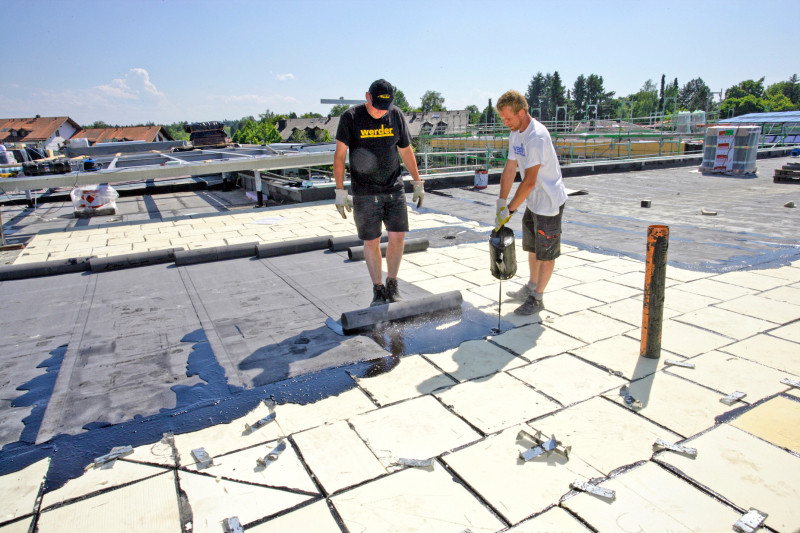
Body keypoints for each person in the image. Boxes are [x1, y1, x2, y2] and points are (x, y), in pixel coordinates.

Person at [334, 79, 424, 307]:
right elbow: (340, 156)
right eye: (376, 106)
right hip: (365, 192)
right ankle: (378, 290)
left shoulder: (395, 115)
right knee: (372, 241)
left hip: (393, 187)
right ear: (367, 97)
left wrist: (417, 182)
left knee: (397, 236)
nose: (380, 111)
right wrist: (339, 190)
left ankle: (392, 284)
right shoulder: (350, 117)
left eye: (385, 107)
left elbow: (405, 150)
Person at [494, 90, 567, 315]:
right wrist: (501, 201)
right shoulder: (516, 133)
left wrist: (511, 209)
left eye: (508, 118)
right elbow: (510, 169)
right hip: (533, 200)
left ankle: (538, 298)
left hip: (548, 202)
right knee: (533, 248)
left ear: (522, 113)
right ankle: (531, 286)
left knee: (547, 252)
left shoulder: (536, 137)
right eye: (503, 119)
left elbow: (528, 181)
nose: (505, 123)